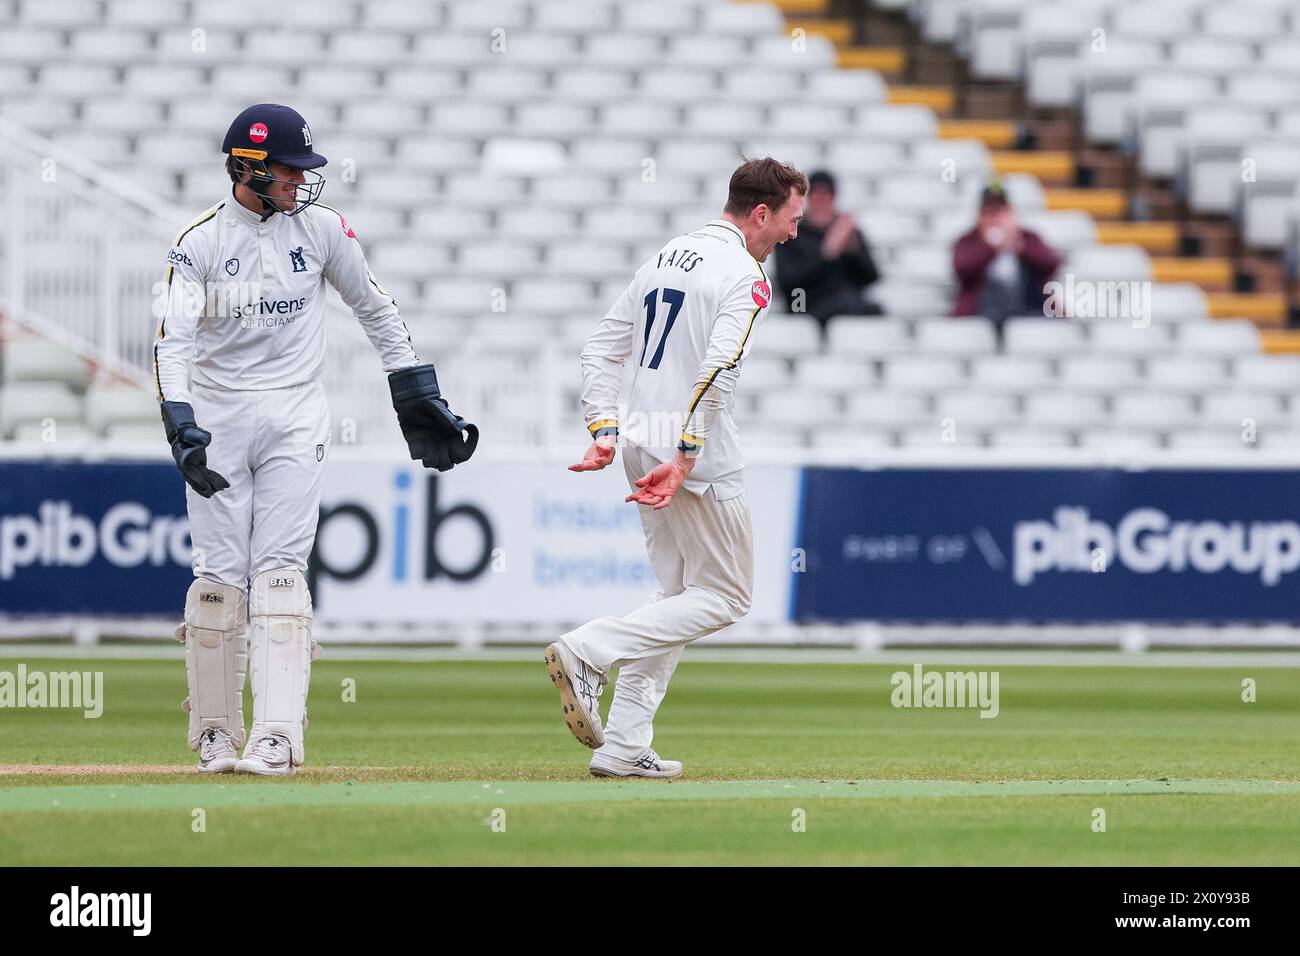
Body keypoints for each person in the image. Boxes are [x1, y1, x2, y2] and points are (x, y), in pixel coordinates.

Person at [153, 103, 476, 776]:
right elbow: (172, 341)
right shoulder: (199, 242)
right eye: (290, 170)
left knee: (278, 573)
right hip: (219, 421)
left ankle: (276, 735)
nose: (301, 181)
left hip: (297, 419)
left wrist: (416, 393)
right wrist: (179, 420)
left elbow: (375, 307)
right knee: (216, 578)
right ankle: (215, 732)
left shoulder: (323, 229)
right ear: (248, 167)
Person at [545, 158, 807, 779]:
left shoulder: (670, 253)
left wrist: (605, 430)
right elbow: (719, 372)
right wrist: (687, 456)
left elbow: (601, 347)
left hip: (639, 438)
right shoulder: (746, 275)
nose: (795, 235)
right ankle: (588, 650)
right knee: (726, 597)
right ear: (762, 213)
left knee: (676, 598)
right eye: (792, 221)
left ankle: (626, 743)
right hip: (695, 453)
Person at [772, 169, 880, 327]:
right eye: (816, 195)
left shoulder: (848, 232)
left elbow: (871, 277)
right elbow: (789, 284)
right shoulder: (791, 234)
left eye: (827, 195)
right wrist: (826, 254)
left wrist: (853, 251)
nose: (821, 201)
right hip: (804, 305)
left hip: (848, 304)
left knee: (871, 310)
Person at [953, 180, 1061, 326]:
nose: (995, 218)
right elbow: (962, 269)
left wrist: (1020, 247)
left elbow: (1051, 264)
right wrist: (990, 247)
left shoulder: (1027, 239)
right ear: (980, 216)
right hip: (982, 314)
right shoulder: (968, 241)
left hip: (1028, 311)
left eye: (1000, 211)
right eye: (989, 212)